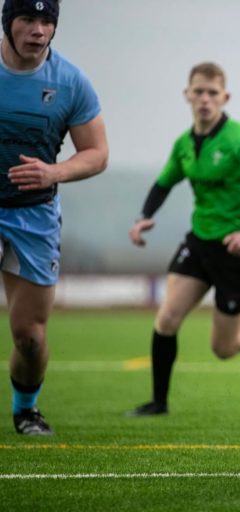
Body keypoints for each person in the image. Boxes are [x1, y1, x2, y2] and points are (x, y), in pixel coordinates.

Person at [127, 62, 240, 417]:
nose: (204, 99)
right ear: (187, 95)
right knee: (167, 319)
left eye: (212, 93)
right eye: (198, 92)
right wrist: (144, 217)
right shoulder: (184, 144)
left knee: (224, 348)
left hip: (237, 252)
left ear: (225, 97)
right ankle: (158, 403)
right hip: (199, 243)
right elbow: (163, 183)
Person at [0, 0, 108, 436]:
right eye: (28, 19)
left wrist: (54, 171)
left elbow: (98, 153)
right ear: (8, 22)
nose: (38, 30)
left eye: (47, 21)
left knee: (30, 336)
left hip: (34, 215)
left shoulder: (70, 81)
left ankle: (27, 410)